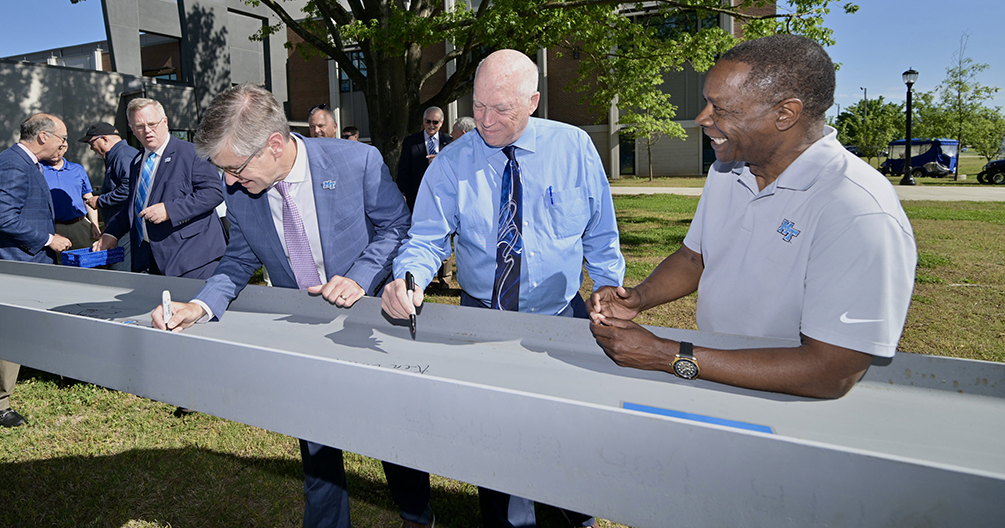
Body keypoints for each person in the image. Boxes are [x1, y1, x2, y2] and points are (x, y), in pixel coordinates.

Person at [152, 84, 426, 528]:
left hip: (371, 324)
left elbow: (396, 226)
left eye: (235, 169)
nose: (229, 182)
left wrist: (359, 277)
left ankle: (416, 514)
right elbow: (239, 258)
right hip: (302, 332)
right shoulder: (240, 189)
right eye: (224, 171)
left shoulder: (357, 162)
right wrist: (200, 306)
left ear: (274, 145)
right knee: (316, 441)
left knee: (392, 433)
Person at [587, 34, 916, 399]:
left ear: (785, 114)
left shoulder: (857, 209)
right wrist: (638, 297)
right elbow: (695, 258)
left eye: (721, 109)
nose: (702, 118)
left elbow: (831, 373)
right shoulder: (729, 170)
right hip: (715, 375)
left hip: (790, 401)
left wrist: (668, 355)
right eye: (706, 103)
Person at [382, 49, 625, 528]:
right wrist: (407, 279)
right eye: (478, 106)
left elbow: (600, 234)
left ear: (533, 101)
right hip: (482, 320)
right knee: (495, 439)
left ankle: (576, 514)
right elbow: (426, 239)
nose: (485, 120)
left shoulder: (574, 148)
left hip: (561, 317)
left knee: (569, 434)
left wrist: (609, 288)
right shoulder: (451, 164)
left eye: (501, 109)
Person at [0, 113, 72, 428]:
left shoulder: (23, 162)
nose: (64, 145)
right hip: (11, 262)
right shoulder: (12, 166)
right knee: (7, 334)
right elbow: (3, 219)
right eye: (62, 139)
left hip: (24, 260)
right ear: (43, 136)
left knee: (25, 327)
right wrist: (48, 239)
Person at [91, 98, 226, 279]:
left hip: (194, 259)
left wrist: (169, 210)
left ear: (165, 122)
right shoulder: (136, 162)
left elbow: (213, 193)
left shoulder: (192, 153)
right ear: (131, 128)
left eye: (152, 124)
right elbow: (132, 206)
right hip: (149, 259)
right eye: (139, 126)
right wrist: (111, 233)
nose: (147, 130)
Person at [80, 122, 138, 270]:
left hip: (126, 229)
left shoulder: (123, 155)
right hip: (120, 225)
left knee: (121, 273)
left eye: (91, 143)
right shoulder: (119, 154)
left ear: (104, 139)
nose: (91, 148)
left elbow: (129, 189)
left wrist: (100, 201)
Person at [43, 141, 100, 256]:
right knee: (57, 264)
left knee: (86, 260)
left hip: (79, 226)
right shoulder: (38, 170)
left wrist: (95, 224)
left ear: (65, 147)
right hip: (53, 228)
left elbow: (88, 198)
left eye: (59, 148)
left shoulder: (77, 169)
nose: (55, 153)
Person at [395, 106, 452, 211]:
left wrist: (440, 160)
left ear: (441, 123)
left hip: (442, 197)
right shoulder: (411, 141)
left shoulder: (449, 142)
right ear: (423, 121)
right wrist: (402, 193)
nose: (431, 125)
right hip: (416, 196)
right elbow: (403, 169)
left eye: (435, 122)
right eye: (428, 121)